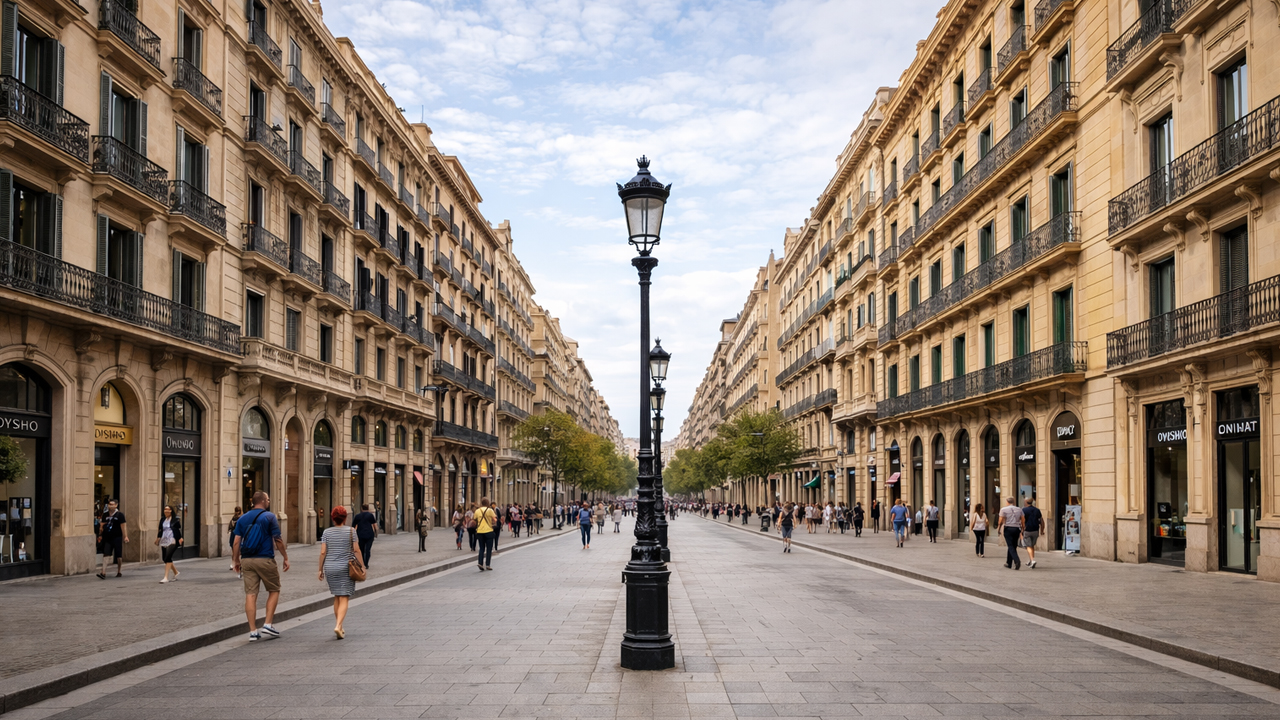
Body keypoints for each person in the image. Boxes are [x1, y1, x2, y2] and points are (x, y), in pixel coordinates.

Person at [232, 491, 289, 641]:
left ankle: (252, 631)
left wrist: (236, 561)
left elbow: (236, 541)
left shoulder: (242, 518)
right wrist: (285, 557)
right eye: (268, 499)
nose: (269, 501)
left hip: (247, 560)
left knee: (251, 594)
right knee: (274, 589)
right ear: (263, 501)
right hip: (265, 559)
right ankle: (268, 624)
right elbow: (278, 540)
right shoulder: (269, 517)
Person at [318, 506, 362, 639]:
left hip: (330, 567)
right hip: (345, 567)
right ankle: (338, 625)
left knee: (337, 596)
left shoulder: (326, 532)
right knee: (344, 597)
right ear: (345, 518)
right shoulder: (351, 531)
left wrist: (320, 569)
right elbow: (356, 550)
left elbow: (323, 552)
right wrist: (362, 566)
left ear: (332, 518)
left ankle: (340, 626)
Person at [97, 499, 129, 579]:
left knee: (118, 555)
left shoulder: (120, 515)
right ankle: (103, 572)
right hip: (107, 537)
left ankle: (119, 571)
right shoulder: (105, 515)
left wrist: (125, 536)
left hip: (117, 537)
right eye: (109, 504)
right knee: (106, 553)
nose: (110, 506)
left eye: (112, 504)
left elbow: (123, 526)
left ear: (116, 505)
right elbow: (102, 525)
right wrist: (100, 534)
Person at [154, 504, 182, 583]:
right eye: (165, 509)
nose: (166, 511)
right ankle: (176, 572)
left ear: (171, 511)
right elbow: (160, 530)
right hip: (164, 539)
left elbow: (178, 530)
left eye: (168, 510)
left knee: (168, 557)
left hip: (173, 539)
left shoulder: (175, 520)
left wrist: (180, 538)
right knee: (165, 558)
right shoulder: (162, 519)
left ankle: (166, 577)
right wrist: (158, 538)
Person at [996, 497, 1024, 570]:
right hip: (1016, 528)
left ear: (1007, 502)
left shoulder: (1003, 509)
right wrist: (1023, 528)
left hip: (1008, 528)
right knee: (1013, 545)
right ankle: (1009, 563)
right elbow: (1023, 519)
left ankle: (1017, 560)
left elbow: (1000, 520)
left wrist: (999, 528)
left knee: (1010, 545)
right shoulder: (1019, 509)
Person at [474, 497, 498, 571]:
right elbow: (495, 519)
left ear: (481, 503)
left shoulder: (477, 511)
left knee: (481, 548)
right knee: (489, 549)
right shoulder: (490, 510)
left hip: (480, 531)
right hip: (489, 531)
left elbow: (475, 520)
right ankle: (487, 564)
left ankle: (480, 563)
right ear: (488, 503)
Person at [352, 504, 377, 568]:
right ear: (368, 508)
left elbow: (353, 526)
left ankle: (362, 562)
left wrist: (353, 534)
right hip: (369, 534)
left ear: (361, 508)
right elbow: (374, 525)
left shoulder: (357, 516)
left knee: (361, 549)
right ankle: (366, 563)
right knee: (368, 549)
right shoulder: (370, 515)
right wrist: (376, 532)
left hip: (360, 534)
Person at [1021, 498, 1045, 568]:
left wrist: (1022, 529)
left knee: (1028, 546)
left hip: (1027, 530)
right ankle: (1031, 560)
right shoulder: (1037, 510)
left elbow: (1022, 521)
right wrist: (1042, 530)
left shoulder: (1024, 510)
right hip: (1035, 530)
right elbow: (1041, 521)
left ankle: (1032, 560)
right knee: (1031, 546)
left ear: (1026, 502)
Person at [228, 506, 242, 574]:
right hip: (234, 534)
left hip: (238, 534)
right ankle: (235, 562)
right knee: (233, 548)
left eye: (238, 510)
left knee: (237, 549)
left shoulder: (241, 517)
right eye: (236, 510)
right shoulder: (234, 517)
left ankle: (236, 563)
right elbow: (231, 525)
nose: (237, 512)